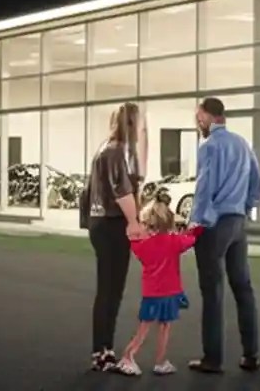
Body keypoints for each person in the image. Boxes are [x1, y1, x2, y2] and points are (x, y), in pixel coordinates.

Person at [187, 97, 260, 374]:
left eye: (199, 117)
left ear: (209, 117)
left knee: (213, 292)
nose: (198, 122)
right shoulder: (242, 143)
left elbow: (204, 188)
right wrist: (247, 207)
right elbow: (257, 180)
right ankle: (250, 354)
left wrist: (196, 223)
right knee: (243, 287)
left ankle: (213, 358)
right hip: (237, 223)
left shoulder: (209, 146)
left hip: (215, 225)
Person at [86, 102, 149, 372]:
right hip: (111, 224)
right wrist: (135, 222)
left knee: (112, 290)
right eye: (141, 123)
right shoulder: (113, 152)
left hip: (105, 223)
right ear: (132, 124)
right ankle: (101, 351)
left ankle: (105, 349)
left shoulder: (111, 150)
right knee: (109, 290)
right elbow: (121, 191)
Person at [112, 194, 204, 377]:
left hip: (152, 294)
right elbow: (192, 237)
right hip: (170, 293)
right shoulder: (174, 241)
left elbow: (134, 242)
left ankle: (131, 356)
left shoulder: (143, 246)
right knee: (164, 327)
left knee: (144, 328)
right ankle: (157, 361)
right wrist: (198, 227)